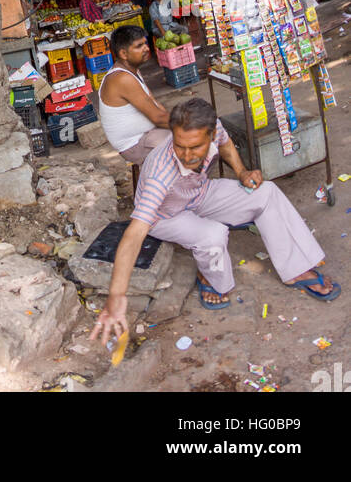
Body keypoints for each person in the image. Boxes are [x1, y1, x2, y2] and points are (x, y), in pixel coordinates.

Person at [90, 96, 340, 342]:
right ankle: (210, 278)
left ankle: (296, 269)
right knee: (213, 235)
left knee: (267, 192)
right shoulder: (160, 173)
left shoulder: (214, 128)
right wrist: (116, 297)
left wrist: (242, 172)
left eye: (195, 147)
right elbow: (134, 234)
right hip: (165, 216)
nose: (186, 156)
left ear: (209, 135)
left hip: (199, 194)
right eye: (180, 145)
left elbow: (227, 144)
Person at [97, 25, 170, 164]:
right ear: (124, 54)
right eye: (139, 46)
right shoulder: (122, 78)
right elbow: (158, 118)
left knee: (204, 131)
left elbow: (154, 104)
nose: (147, 48)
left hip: (148, 136)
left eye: (145, 43)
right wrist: (188, 126)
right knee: (197, 138)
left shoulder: (132, 71)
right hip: (137, 145)